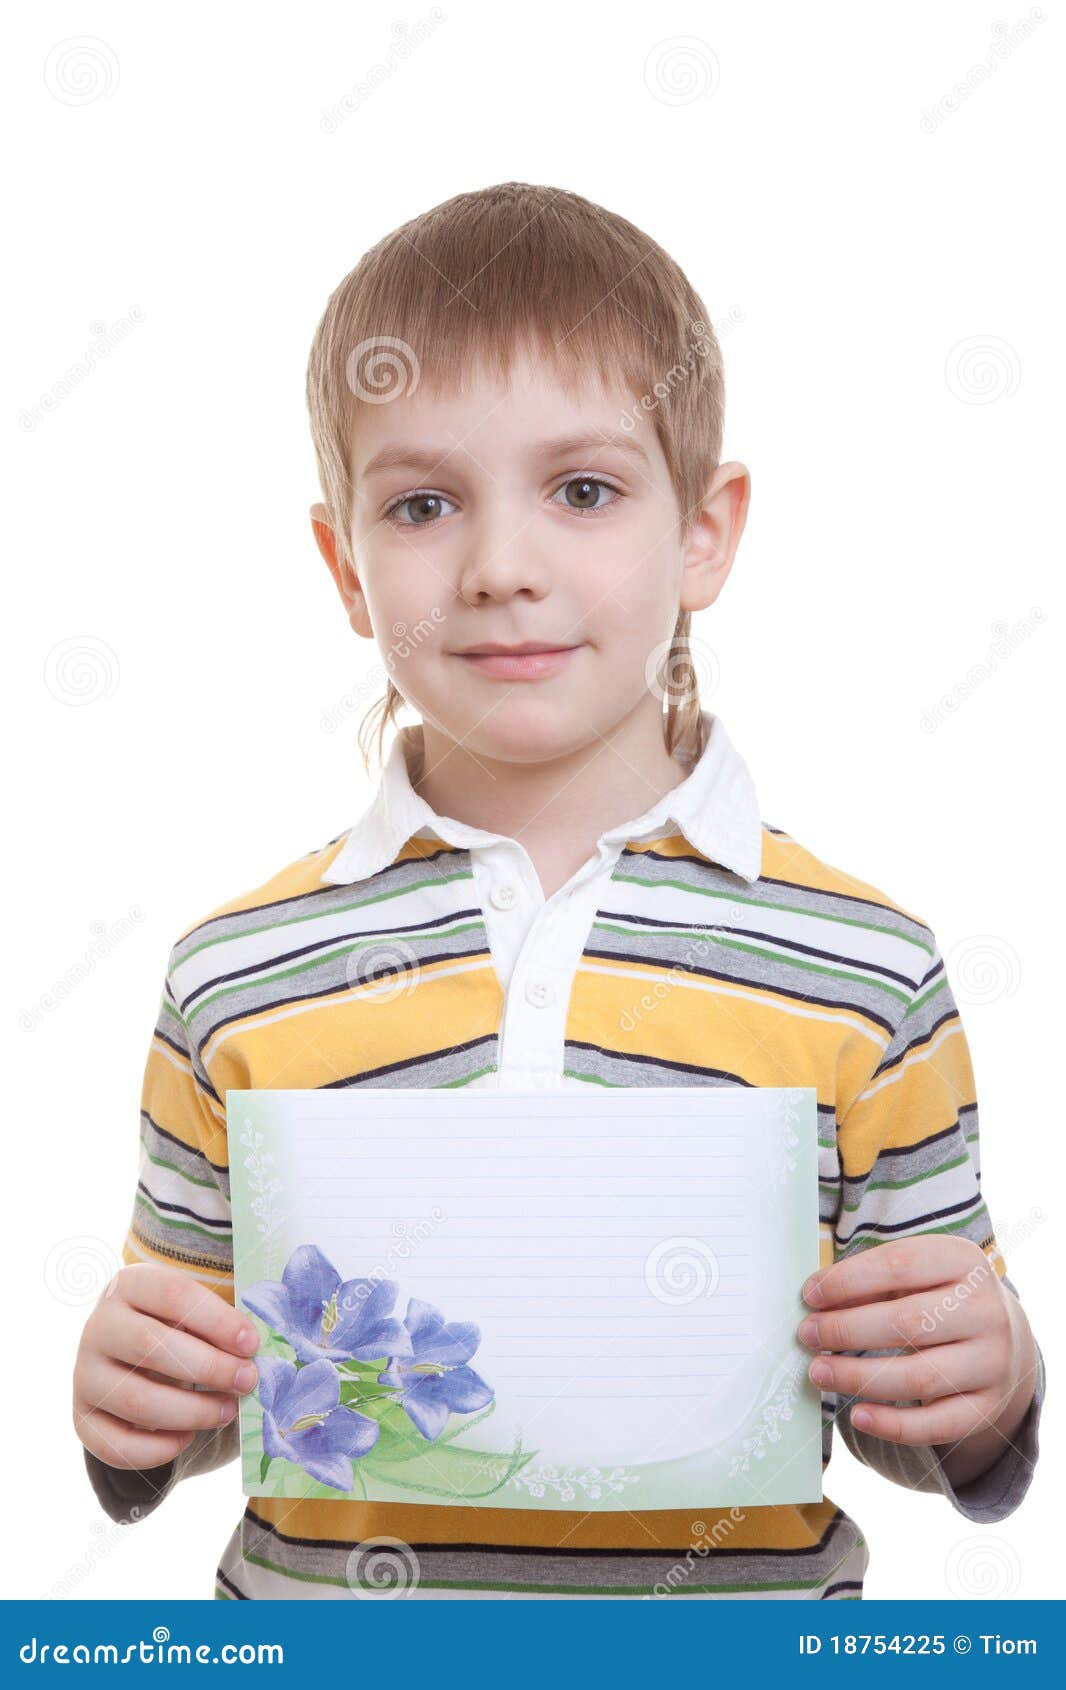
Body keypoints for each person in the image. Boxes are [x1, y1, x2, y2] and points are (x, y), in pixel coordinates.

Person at [73, 181, 1043, 1599]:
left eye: (581, 490)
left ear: (702, 532)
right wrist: (131, 1405)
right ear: (345, 564)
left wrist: (992, 1381)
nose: (500, 568)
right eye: (421, 504)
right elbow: (207, 1377)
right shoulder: (237, 969)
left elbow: (915, 1394)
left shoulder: (862, 966)